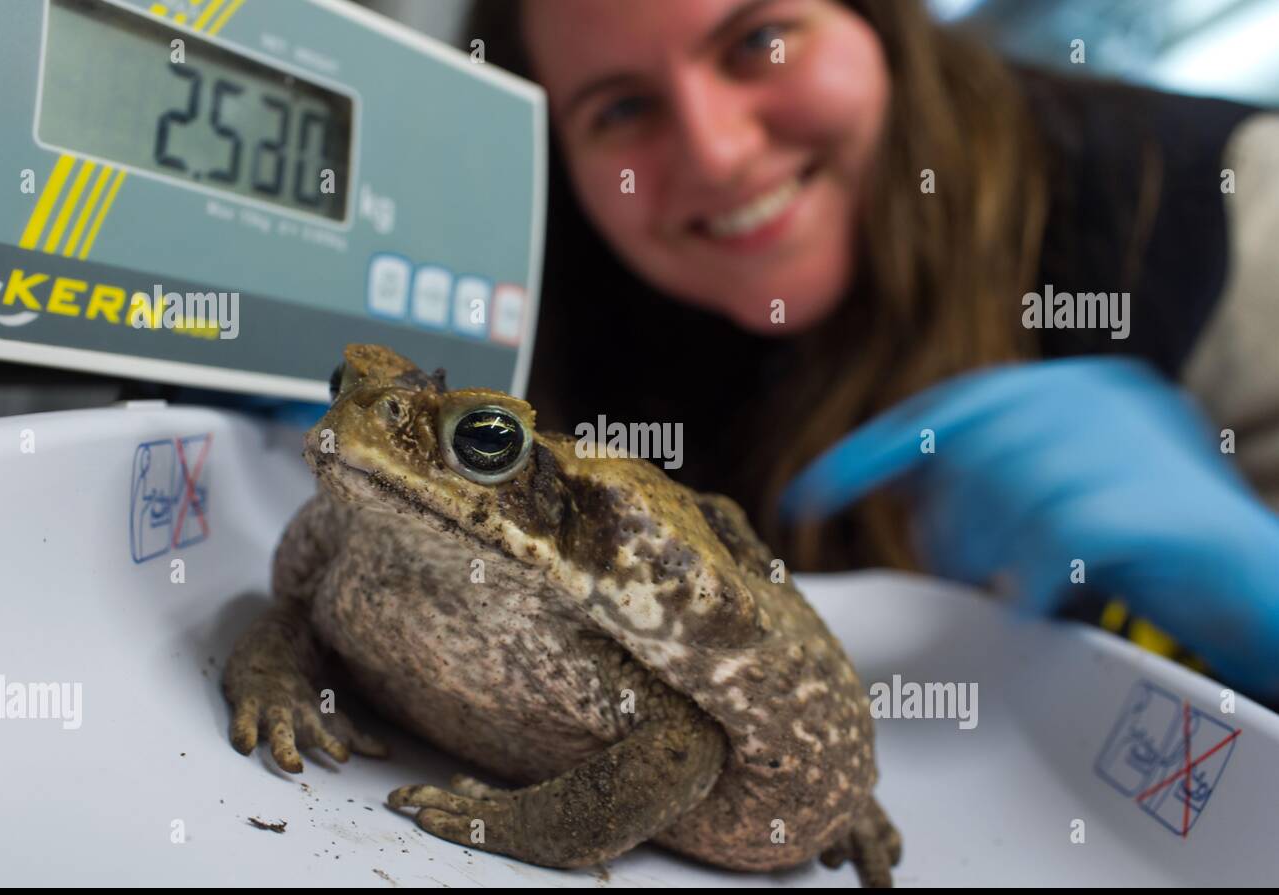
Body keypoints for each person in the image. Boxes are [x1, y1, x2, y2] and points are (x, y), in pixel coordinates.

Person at [464, 0, 1279, 699]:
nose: (718, 153)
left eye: (760, 43)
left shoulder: (1231, 208)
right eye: (620, 110)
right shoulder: (549, 321)